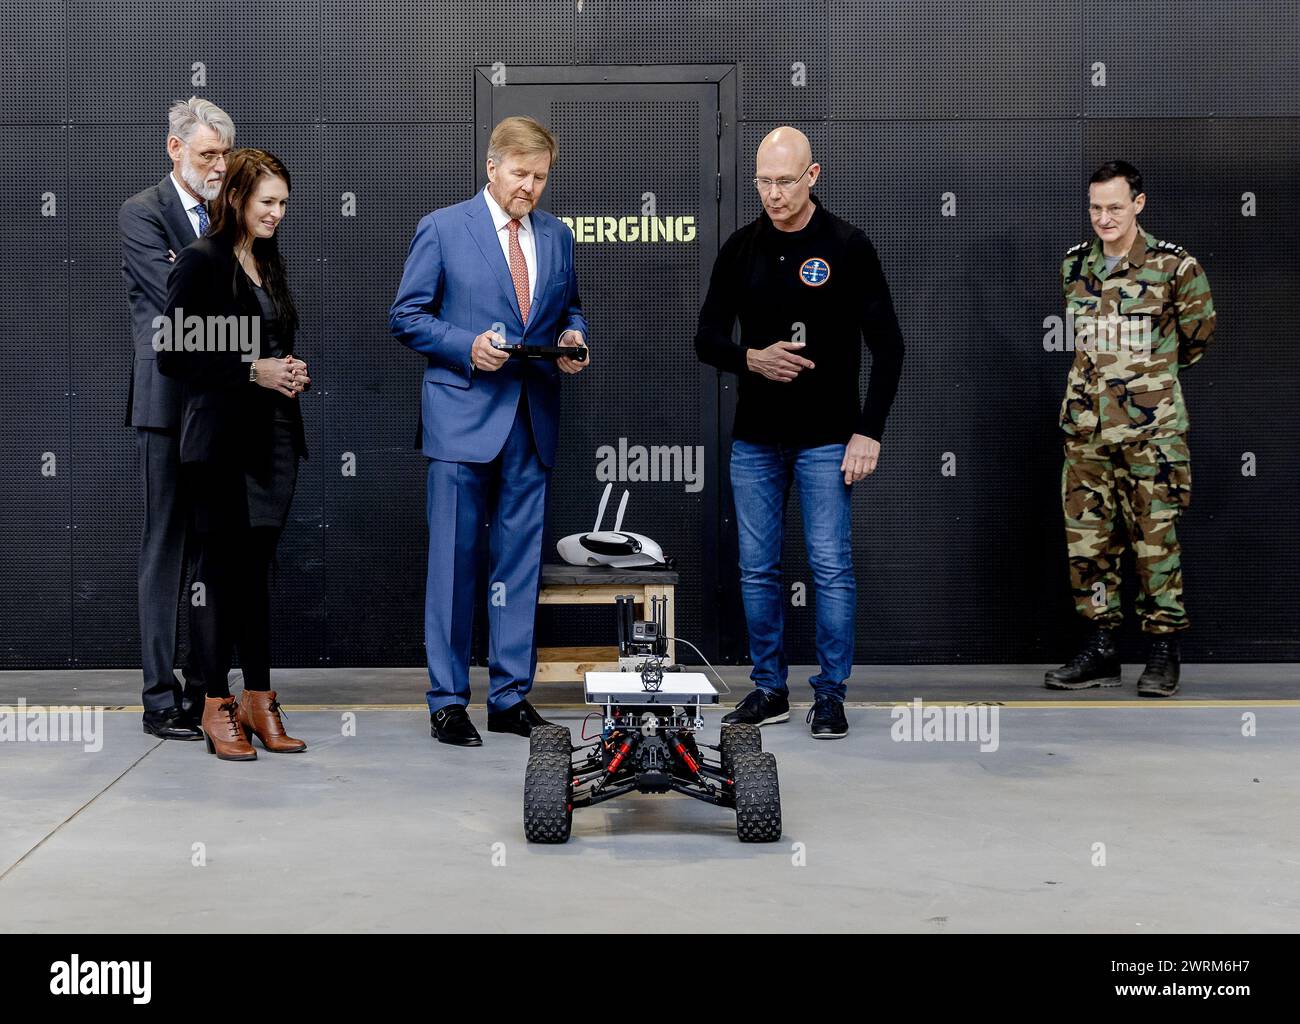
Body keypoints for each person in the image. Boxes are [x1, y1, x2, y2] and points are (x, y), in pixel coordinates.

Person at [695, 126, 904, 740]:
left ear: (814, 176)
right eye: (763, 181)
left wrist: (869, 432)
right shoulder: (740, 247)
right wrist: (751, 359)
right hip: (755, 438)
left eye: (786, 181)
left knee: (830, 567)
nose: (773, 193)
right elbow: (705, 339)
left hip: (827, 438)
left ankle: (831, 694)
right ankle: (768, 689)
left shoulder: (847, 245)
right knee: (757, 569)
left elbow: (889, 348)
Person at [390, 116, 589, 747]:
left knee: (519, 566)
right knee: (453, 564)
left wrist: (572, 338)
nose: (530, 187)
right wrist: (464, 346)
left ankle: (509, 697)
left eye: (540, 177)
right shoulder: (444, 227)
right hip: (460, 421)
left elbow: (570, 306)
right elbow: (407, 315)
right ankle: (448, 701)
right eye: (520, 173)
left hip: (532, 421)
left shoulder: (556, 236)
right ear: (491, 165)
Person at [158, 148, 311, 759]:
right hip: (220, 444)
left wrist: (291, 371)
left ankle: (258, 699)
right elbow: (173, 355)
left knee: (255, 580)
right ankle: (214, 706)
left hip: (274, 441)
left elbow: (272, 344)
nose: (277, 214)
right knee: (218, 580)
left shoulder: (266, 259)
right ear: (238, 199)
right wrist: (253, 370)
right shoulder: (201, 261)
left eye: (283, 205)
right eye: (267, 202)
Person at [1045, 161, 1215, 697]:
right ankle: (1101, 647)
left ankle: (1164, 650)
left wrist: (1147, 382)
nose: (1104, 218)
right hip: (1086, 432)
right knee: (1089, 545)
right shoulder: (1075, 266)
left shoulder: (1174, 266)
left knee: (1154, 542)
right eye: (1095, 208)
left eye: (1114, 207)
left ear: (1138, 204)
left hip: (1151, 433)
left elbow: (1196, 337)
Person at [120, 96, 234, 740]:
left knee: (215, 556)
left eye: (223, 155)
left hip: (226, 406)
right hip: (167, 407)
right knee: (165, 553)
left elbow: (252, 297)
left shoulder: (231, 217)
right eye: (206, 154)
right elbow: (180, 304)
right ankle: (159, 698)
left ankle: (205, 693)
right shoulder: (142, 213)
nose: (217, 166)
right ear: (175, 150)